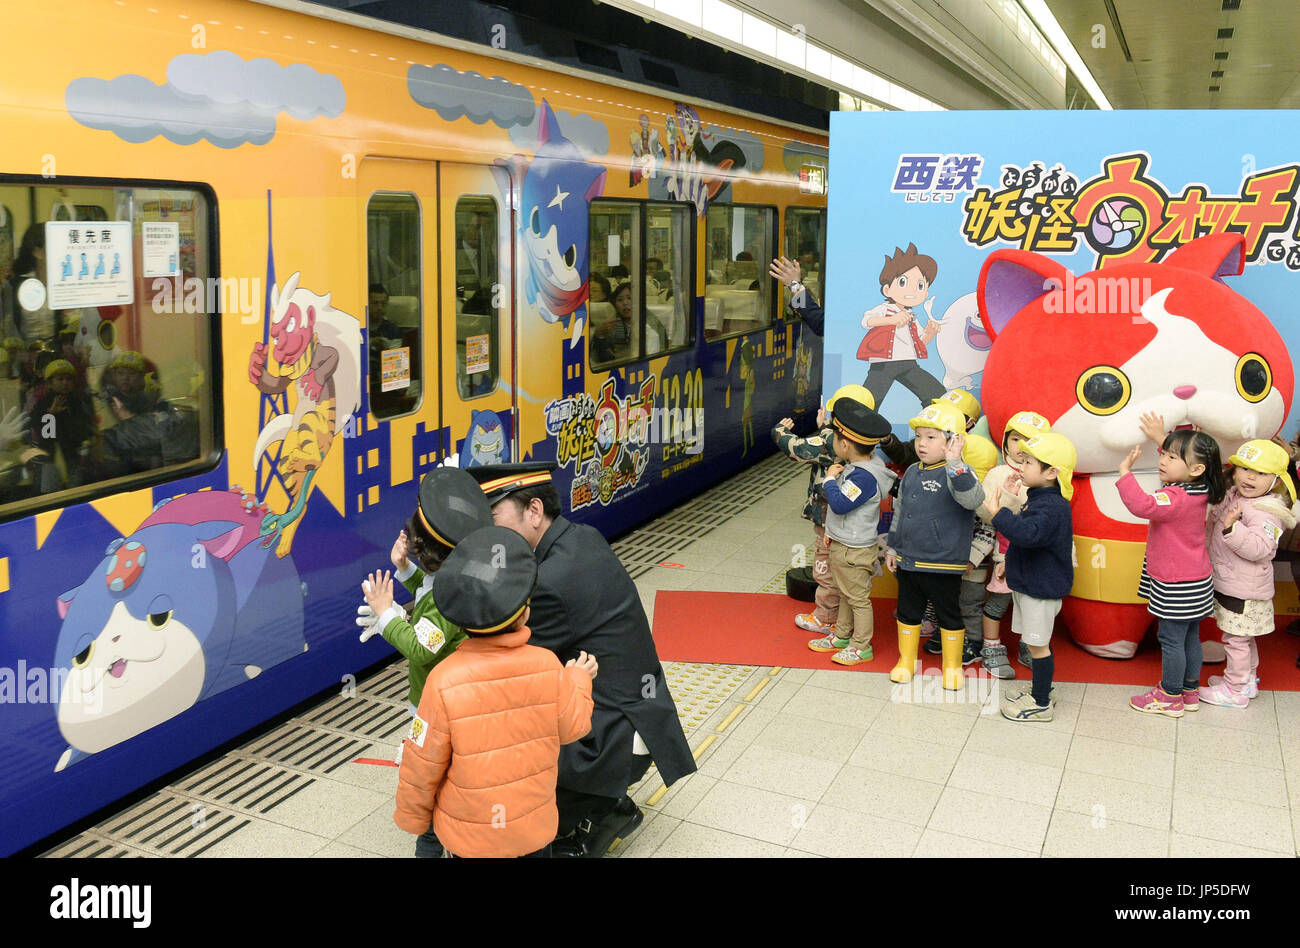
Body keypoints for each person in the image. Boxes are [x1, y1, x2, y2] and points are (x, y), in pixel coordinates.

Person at [466, 462, 697, 857]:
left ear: (534, 511)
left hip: (612, 735)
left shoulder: (550, 581)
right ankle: (605, 801)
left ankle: (593, 812)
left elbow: (506, 660)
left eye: (493, 518)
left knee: (498, 734)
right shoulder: (581, 537)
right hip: (641, 711)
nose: (487, 533)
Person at [391, 525, 596, 858]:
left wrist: (413, 817)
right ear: (525, 612)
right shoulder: (547, 665)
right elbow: (574, 726)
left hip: (471, 840)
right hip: (533, 831)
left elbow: (421, 760)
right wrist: (578, 678)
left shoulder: (443, 681)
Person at [1117, 424, 1226, 718]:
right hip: (1197, 578)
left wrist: (1125, 473)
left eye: (1172, 457)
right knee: (1190, 637)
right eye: (1164, 454)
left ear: (1197, 468)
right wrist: (1163, 441)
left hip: (1175, 581)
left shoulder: (1176, 497)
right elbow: (1182, 467)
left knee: (1171, 639)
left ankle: (1170, 694)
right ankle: (1190, 691)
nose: (1163, 461)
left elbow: (1142, 505)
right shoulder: (1200, 489)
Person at [885, 401, 985, 690]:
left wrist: (955, 464)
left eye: (931, 437)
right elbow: (900, 512)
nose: (921, 443)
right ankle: (906, 661)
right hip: (910, 560)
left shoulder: (961, 471)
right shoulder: (912, 472)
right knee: (907, 612)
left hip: (943, 562)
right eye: (919, 436)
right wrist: (893, 548)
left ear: (953, 441)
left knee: (948, 614)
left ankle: (952, 667)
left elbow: (973, 501)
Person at [772, 383, 875, 639]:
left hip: (829, 516)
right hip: (850, 520)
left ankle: (825, 618)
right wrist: (826, 427)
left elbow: (797, 447)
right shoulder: (863, 440)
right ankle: (838, 616)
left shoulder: (831, 439)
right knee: (838, 569)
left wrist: (779, 431)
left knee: (825, 568)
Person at [986, 433, 1076, 722]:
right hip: (1030, 584)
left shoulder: (1052, 506)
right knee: (1038, 643)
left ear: (1051, 472)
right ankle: (1042, 688)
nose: (1021, 467)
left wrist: (998, 512)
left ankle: (1040, 702)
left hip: (1041, 589)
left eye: (1028, 462)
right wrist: (1007, 563)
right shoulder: (1039, 499)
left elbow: (1028, 533)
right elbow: (1025, 539)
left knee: (1038, 646)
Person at [1200, 440, 1297, 707]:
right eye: (1244, 469)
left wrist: (1232, 528)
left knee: (1236, 640)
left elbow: (1262, 549)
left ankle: (1236, 690)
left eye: (1261, 473)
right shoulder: (1237, 495)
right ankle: (1247, 681)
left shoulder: (1269, 511)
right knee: (1241, 637)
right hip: (1233, 583)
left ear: (1277, 480)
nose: (1250, 477)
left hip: (1244, 590)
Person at [817, 396, 895, 665]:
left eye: (835, 439)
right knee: (847, 594)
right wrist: (831, 531)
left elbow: (839, 504)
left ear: (845, 444)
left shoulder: (863, 476)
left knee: (858, 599)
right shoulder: (857, 467)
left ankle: (861, 646)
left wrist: (828, 479)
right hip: (845, 543)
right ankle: (841, 636)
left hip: (854, 549)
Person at [978, 411, 1052, 677]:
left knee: (1032, 607)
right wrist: (1009, 495)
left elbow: (1056, 521)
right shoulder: (998, 474)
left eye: (1030, 440)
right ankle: (991, 647)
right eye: (1016, 439)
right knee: (998, 604)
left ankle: (1028, 646)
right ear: (1006, 441)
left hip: (1037, 560)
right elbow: (986, 513)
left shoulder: (1050, 477)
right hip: (1006, 557)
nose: (1021, 447)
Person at [857, 243, 945, 410]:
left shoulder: (912, 316)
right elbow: (867, 321)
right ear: (887, 289)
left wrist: (930, 333)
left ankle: (934, 427)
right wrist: (892, 319)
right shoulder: (885, 309)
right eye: (903, 282)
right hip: (883, 363)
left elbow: (919, 342)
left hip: (907, 363)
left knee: (936, 393)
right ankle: (860, 432)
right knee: (868, 403)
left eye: (920, 285)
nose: (912, 290)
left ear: (925, 293)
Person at [29, 358, 93, 489]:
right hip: (51, 460)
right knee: (52, 495)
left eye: (69, 379)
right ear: (50, 383)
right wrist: (51, 414)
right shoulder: (43, 404)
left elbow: (83, 424)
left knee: (76, 492)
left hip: (74, 457)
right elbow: (46, 437)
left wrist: (85, 440)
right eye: (60, 379)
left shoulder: (76, 402)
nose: (65, 383)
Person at [591, 282, 633, 364]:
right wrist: (599, 336)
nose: (625, 303)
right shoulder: (611, 325)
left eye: (629, 298)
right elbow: (606, 358)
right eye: (620, 300)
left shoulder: (649, 322)